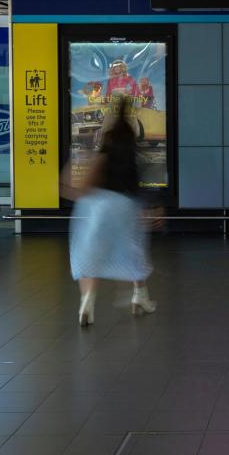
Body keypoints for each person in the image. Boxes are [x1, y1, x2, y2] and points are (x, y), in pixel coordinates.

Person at [68, 98, 155, 327]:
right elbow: (136, 181)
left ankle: (87, 300)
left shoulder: (106, 144)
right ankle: (140, 297)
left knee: (90, 253)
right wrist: (145, 209)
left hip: (99, 204)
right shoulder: (131, 147)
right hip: (125, 204)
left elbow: (93, 175)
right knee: (133, 250)